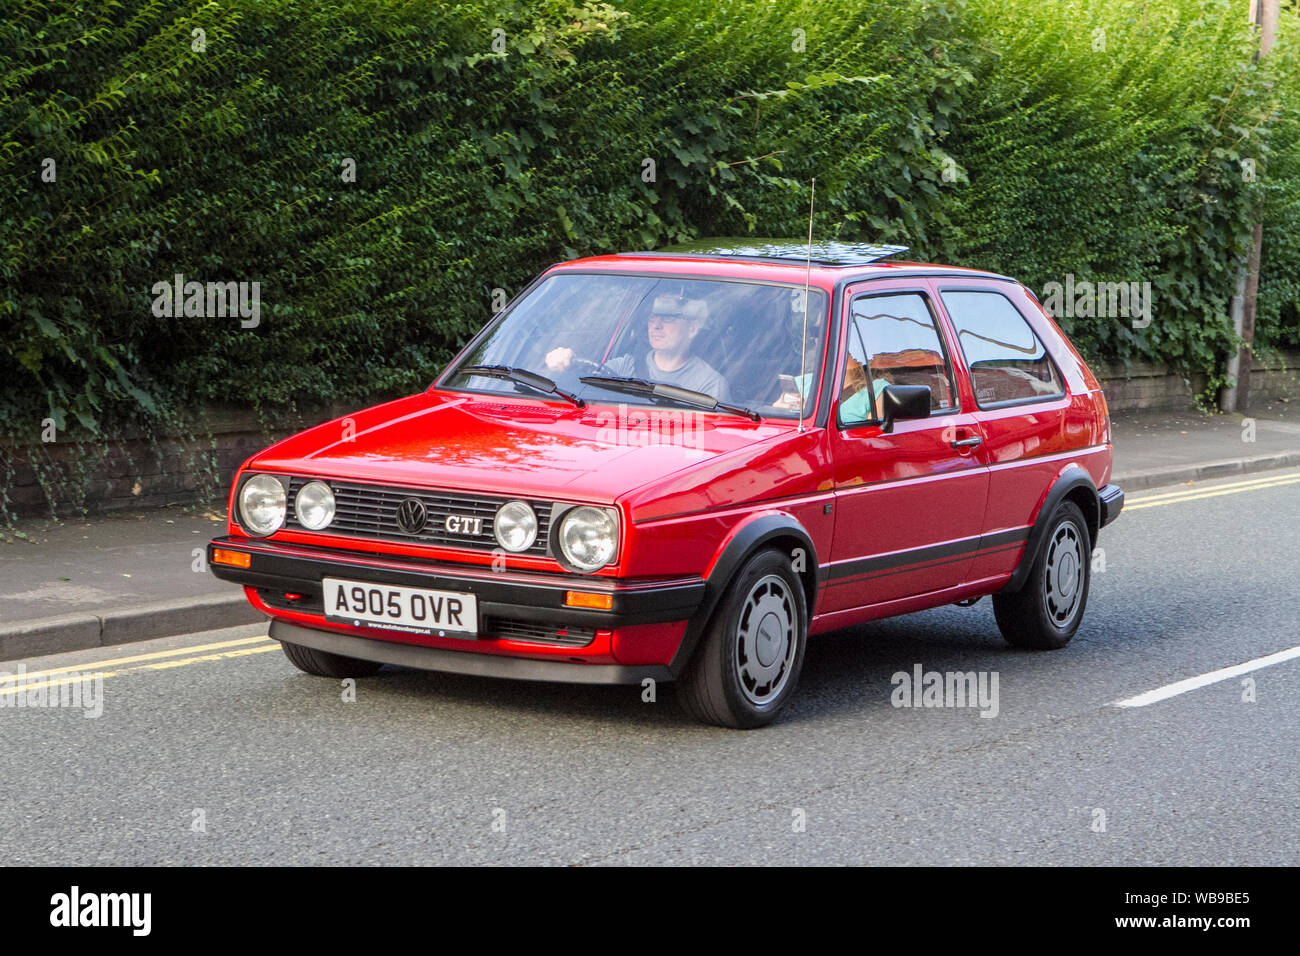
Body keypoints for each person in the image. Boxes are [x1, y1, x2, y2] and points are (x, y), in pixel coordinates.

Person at [545, 294, 730, 401]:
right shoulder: (623, 368)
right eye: (653, 318)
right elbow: (587, 384)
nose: (656, 325)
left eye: (668, 318)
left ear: (692, 329)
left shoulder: (709, 386)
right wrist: (566, 363)